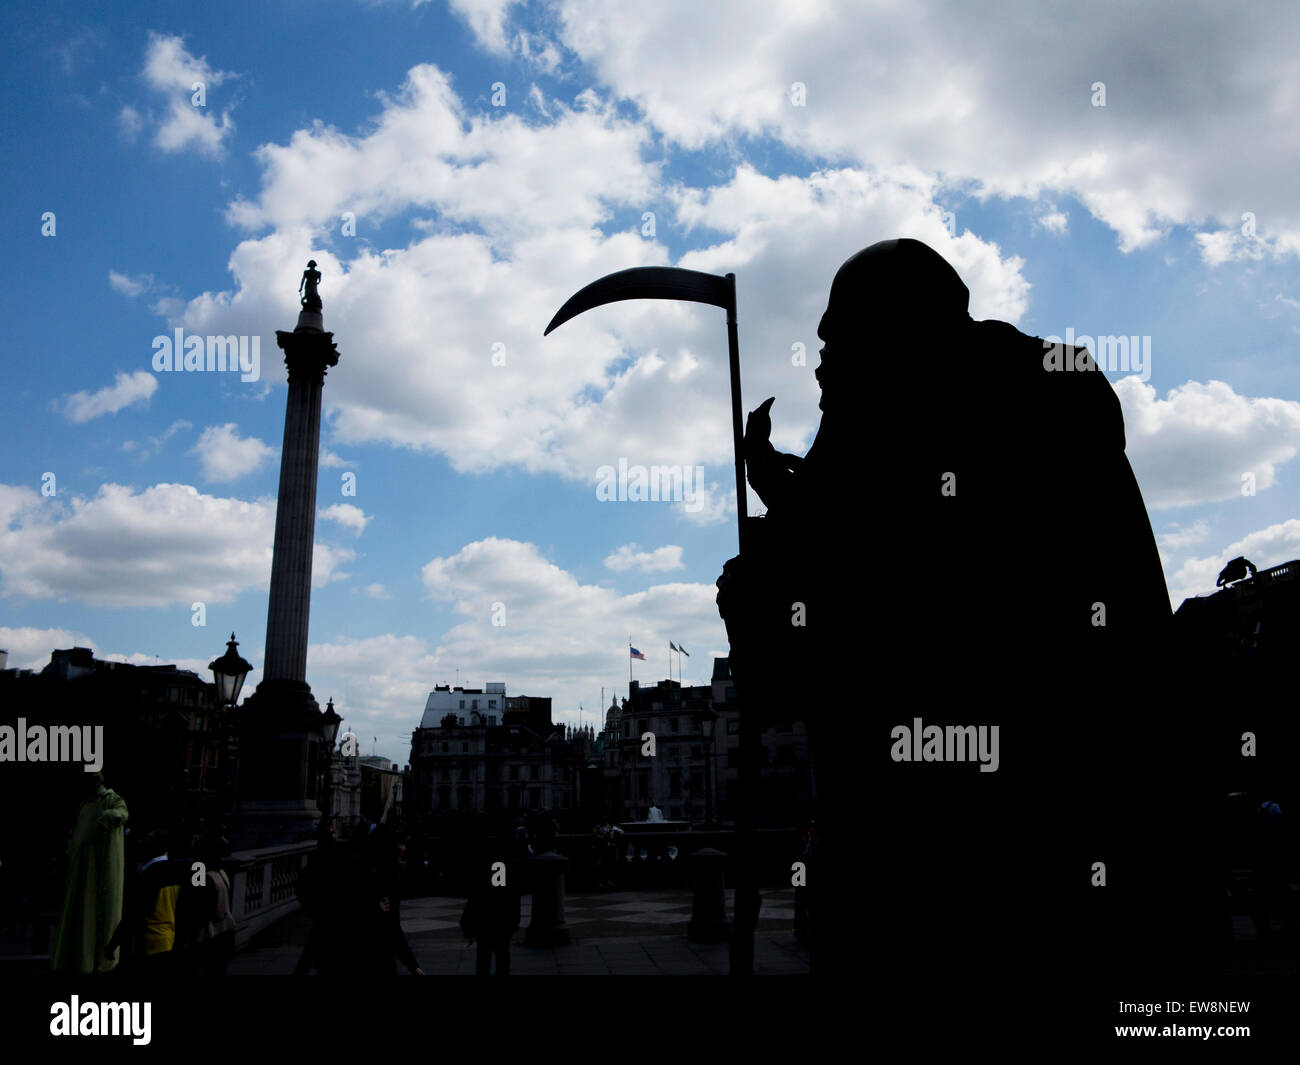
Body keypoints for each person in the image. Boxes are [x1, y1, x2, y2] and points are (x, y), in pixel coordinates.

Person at [717, 238, 1221, 987]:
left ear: (897, 330)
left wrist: (777, 559)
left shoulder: (1023, 402)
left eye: (835, 341)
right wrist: (793, 519)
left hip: (987, 872)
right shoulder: (998, 397)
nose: (820, 366)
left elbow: (882, 612)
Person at [50, 772, 129, 975]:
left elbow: (122, 812)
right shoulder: (84, 805)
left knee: (90, 913)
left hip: (95, 872)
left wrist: (110, 818)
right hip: (79, 871)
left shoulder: (111, 799)